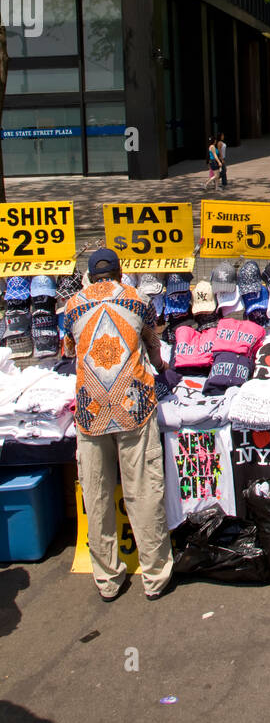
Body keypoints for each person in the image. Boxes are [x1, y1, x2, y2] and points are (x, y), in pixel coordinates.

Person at [64, 249, 173, 601]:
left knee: (96, 496)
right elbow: (154, 349)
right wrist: (161, 367)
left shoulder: (72, 305)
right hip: (133, 407)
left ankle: (108, 579)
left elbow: (70, 350)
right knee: (143, 490)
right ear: (120, 272)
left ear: (89, 276)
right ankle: (155, 576)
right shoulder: (138, 300)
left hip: (91, 411)